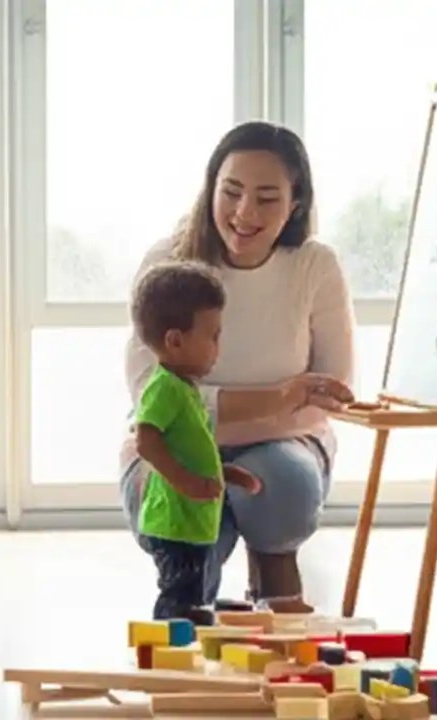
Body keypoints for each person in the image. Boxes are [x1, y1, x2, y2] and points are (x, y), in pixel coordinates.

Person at [120, 121, 356, 613]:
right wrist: (279, 397)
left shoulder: (314, 265)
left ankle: (277, 608)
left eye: (267, 199)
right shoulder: (168, 260)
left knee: (281, 483)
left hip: (285, 445)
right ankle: (188, 626)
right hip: (174, 444)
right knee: (191, 524)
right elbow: (149, 394)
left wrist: (228, 416)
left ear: (295, 204)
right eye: (231, 192)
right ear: (211, 190)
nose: (244, 213)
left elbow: (331, 394)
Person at [130, 260, 271, 623]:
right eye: (213, 336)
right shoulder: (163, 389)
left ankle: (186, 652)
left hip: (193, 523)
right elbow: (146, 441)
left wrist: (225, 473)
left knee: (198, 595)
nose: (218, 348)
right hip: (176, 524)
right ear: (175, 340)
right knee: (181, 599)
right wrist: (187, 482)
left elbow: (188, 450)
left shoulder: (185, 389)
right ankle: (166, 661)